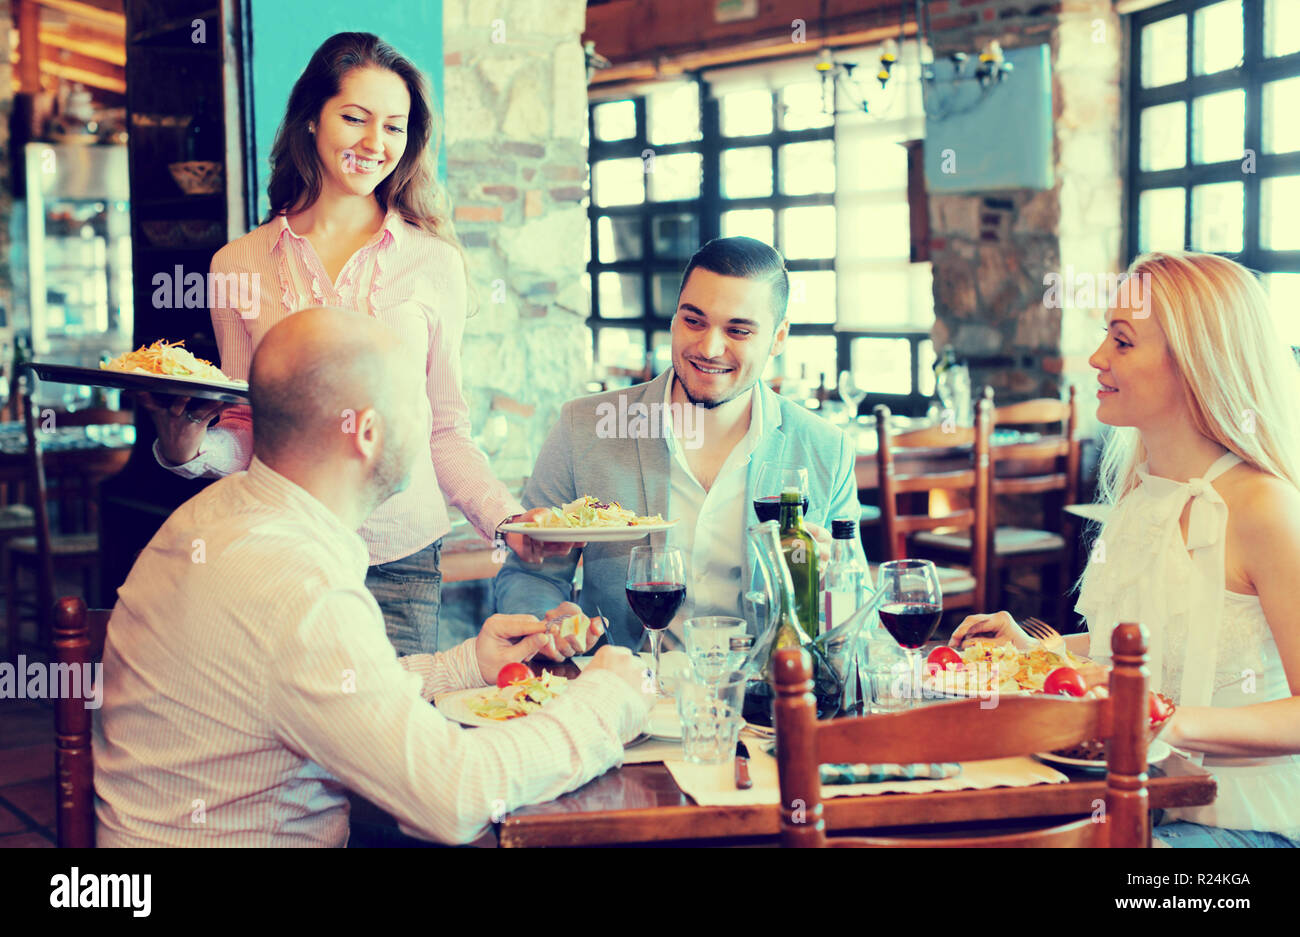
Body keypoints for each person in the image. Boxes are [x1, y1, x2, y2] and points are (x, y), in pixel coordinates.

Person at [94, 308, 651, 847]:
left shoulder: (222, 516)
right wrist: (605, 700)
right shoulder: (296, 584)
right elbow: (455, 796)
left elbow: (308, 690)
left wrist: (461, 668)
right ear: (365, 432)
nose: (431, 421)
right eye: (415, 400)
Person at [138, 32, 559, 657]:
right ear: (312, 117)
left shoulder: (434, 264)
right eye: (354, 118)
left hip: (401, 561)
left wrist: (506, 520)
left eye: (394, 126)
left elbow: (443, 427)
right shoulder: (236, 265)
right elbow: (247, 428)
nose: (375, 143)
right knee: (289, 750)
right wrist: (182, 446)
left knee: (395, 741)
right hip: (281, 550)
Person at [950, 250, 1300, 847]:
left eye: (1123, 342)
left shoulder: (1265, 507)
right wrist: (1037, 651)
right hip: (1136, 801)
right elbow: (1145, 647)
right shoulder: (1145, 491)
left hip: (1241, 822)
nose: (1096, 359)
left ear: (1195, 362)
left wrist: (1160, 721)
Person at [493, 237, 863, 648]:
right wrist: (549, 622)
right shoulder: (584, 427)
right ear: (674, 319)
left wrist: (831, 586)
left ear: (778, 339)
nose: (709, 348)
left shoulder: (826, 449)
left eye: (738, 330)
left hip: (768, 698)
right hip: (620, 693)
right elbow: (529, 574)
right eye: (694, 321)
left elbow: (854, 614)